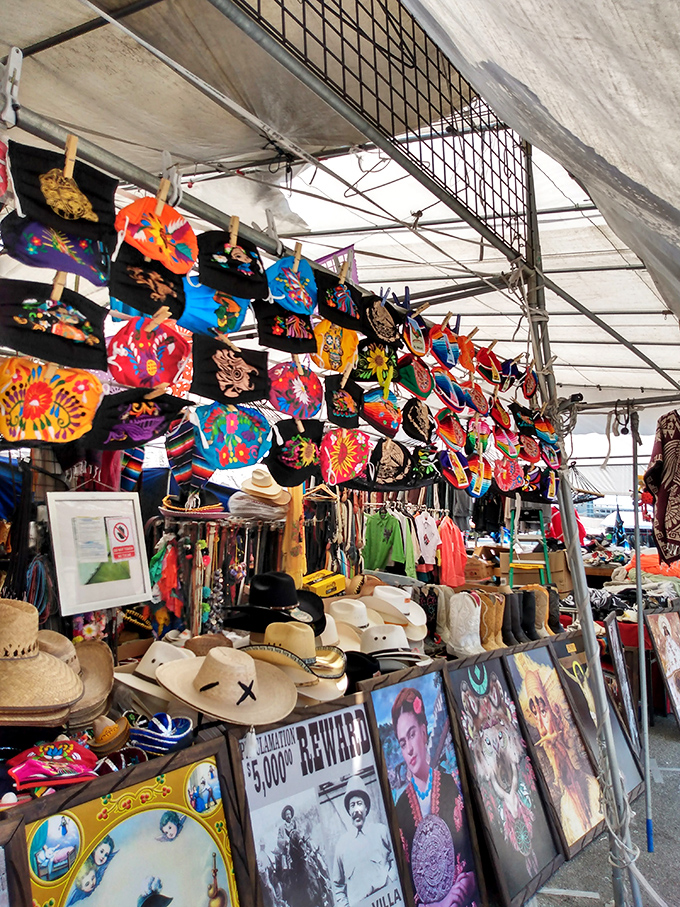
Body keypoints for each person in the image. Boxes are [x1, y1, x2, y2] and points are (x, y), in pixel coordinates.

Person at [391, 687, 477, 907]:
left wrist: (469, 883)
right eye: (402, 742)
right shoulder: (400, 809)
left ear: (423, 730)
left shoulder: (450, 785)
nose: (409, 749)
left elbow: (472, 852)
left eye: (411, 734)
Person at [333, 774, 394, 907]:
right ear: (349, 811)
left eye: (359, 804)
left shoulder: (381, 832)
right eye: (352, 805)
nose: (356, 809)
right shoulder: (341, 846)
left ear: (366, 808)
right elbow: (338, 886)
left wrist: (391, 880)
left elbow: (396, 859)